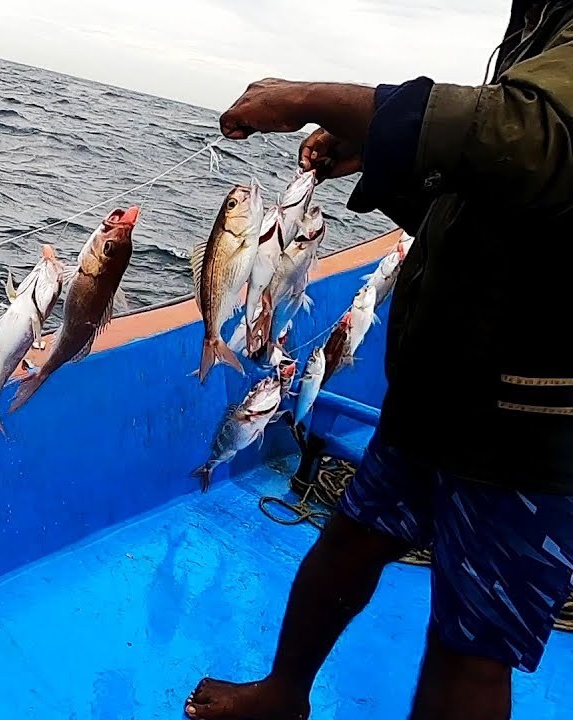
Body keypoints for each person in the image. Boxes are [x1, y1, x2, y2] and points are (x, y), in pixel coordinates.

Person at [184, 2, 573, 719]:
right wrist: (385, 152)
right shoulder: (542, 22)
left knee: (471, 646)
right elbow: (501, 201)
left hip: (531, 419)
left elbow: (529, 139)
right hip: (445, 388)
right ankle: (284, 694)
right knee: (350, 540)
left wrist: (306, 97)